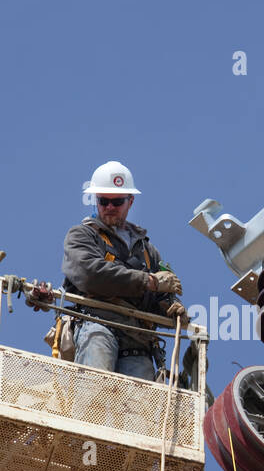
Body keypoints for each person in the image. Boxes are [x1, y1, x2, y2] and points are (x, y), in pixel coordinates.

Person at [61, 160, 186, 381]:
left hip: (138, 340)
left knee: (138, 409)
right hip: (97, 323)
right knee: (95, 390)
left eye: (117, 201)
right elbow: (90, 274)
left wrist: (170, 307)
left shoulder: (148, 251)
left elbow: (159, 295)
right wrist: (148, 281)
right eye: (103, 201)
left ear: (130, 202)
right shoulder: (82, 235)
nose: (109, 207)